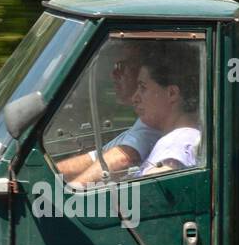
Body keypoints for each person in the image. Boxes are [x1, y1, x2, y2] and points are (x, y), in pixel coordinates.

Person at [54, 42, 161, 186]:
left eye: (121, 67)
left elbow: (123, 159)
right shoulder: (143, 121)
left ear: (142, 71)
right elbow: (97, 158)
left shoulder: (155, 122)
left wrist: (64, 195)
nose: (114, 74)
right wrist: (52, 172)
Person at [131, 47, 201, 175]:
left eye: (143, 87)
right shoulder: (188, 136)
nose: (134, 98)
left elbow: (151, 191)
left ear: (172, 93)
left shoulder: (174, 145)